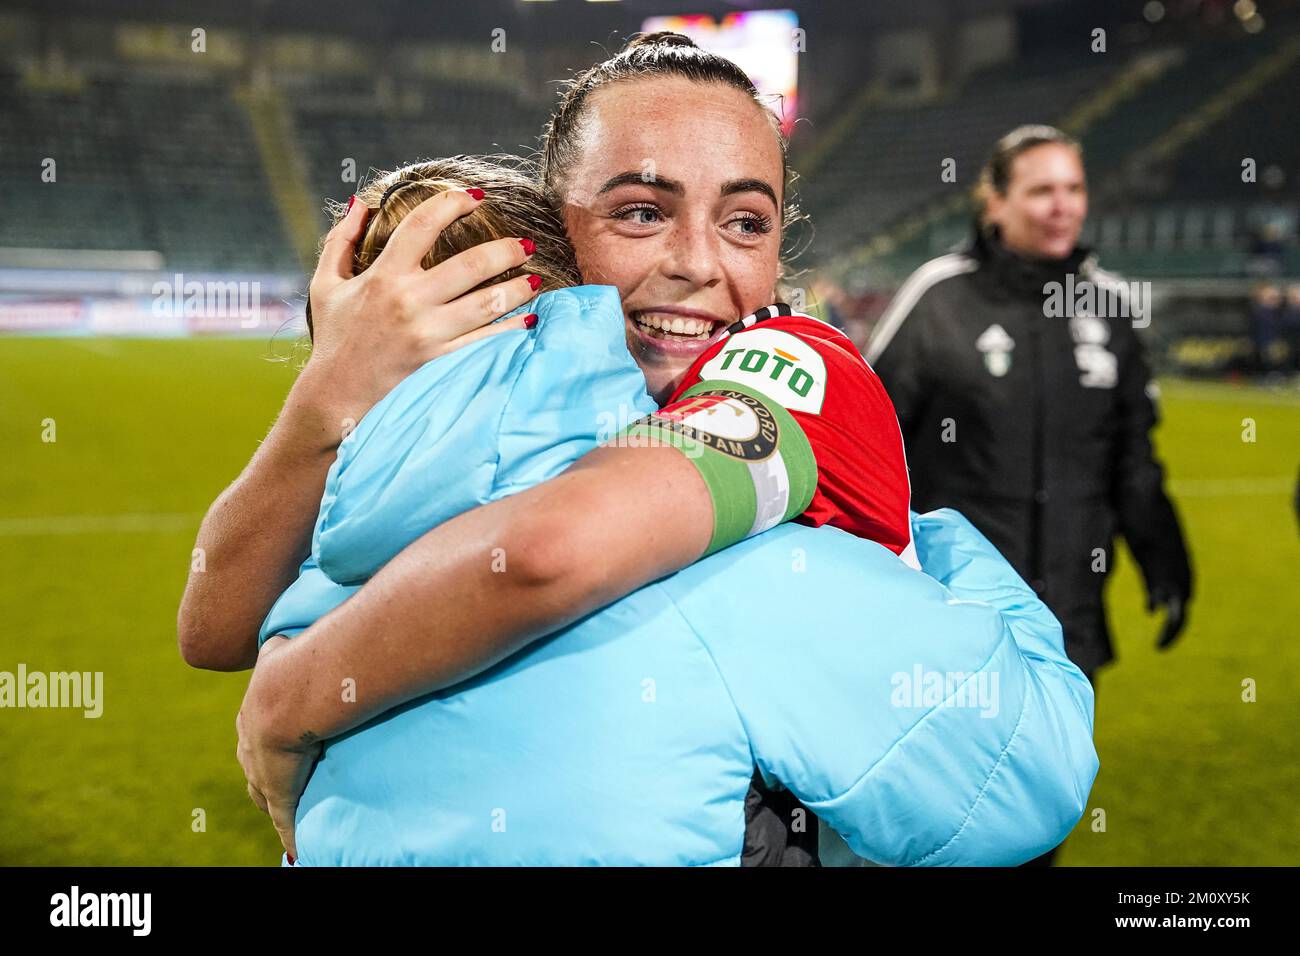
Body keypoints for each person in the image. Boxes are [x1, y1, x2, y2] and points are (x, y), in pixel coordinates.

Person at [180, 37, 1088, 864]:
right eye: (644, 212)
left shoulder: (792, 369)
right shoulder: (518, 408)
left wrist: (286, 701)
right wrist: (323, 402)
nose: (698, 262)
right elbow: (212, 628)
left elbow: (551, 548)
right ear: (555, 230)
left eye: (745, 223)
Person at [866, 124, 1193, 864]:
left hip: (1071, 623)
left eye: (1073, 189)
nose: (1061, 207)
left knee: (1041, 823)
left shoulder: (1109, 309)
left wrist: (1165, 560)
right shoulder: (938, 297)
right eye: (1041, 189)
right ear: (996, 201)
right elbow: (868, 440)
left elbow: (1133, 458)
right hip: (956, 625)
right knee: (941, 826)